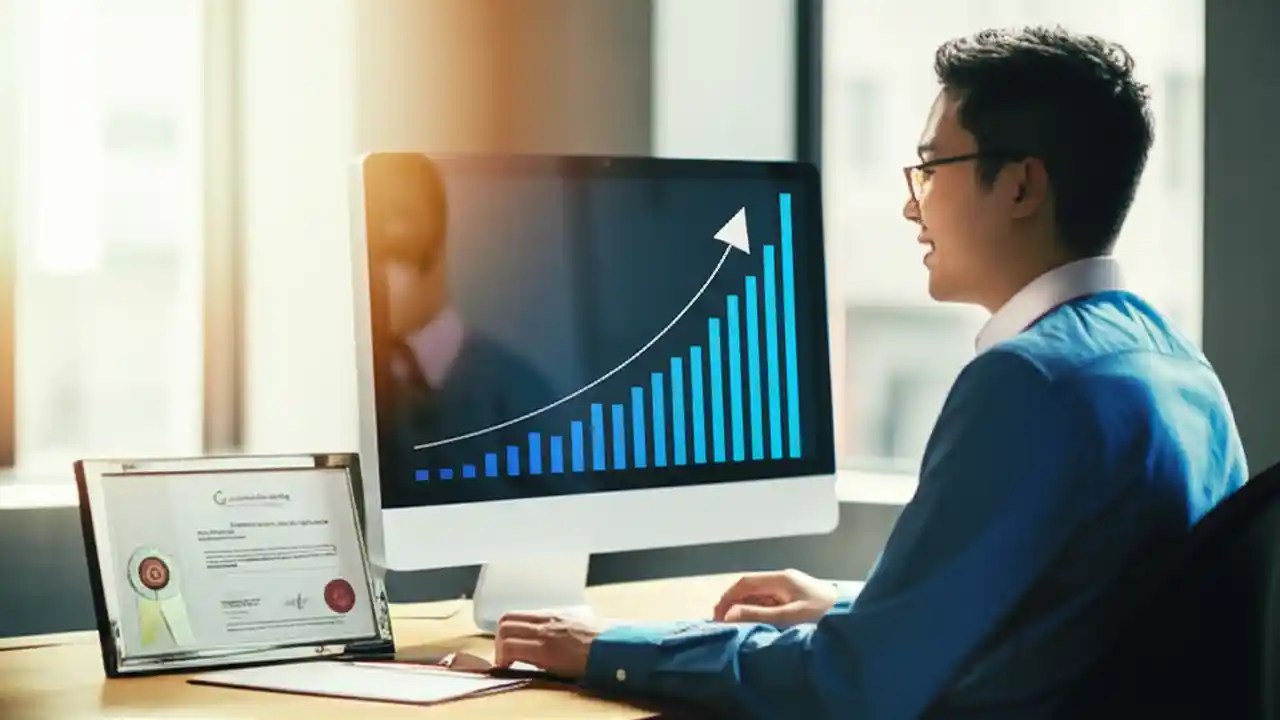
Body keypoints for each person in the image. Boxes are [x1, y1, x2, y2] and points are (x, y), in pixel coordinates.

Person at [492, 26, 1249, 718]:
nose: (909, 206)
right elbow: (1069, 616)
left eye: (931, 167)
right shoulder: (1176, 365)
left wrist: (610, 651)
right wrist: (857, 606)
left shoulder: (1030, 383)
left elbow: (858, 684)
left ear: (1021, 186)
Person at [366, 154, 556, 487]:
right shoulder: (360, 391)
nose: (378, 261)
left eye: (395, 246)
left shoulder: (518, 392)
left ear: (439, 241)